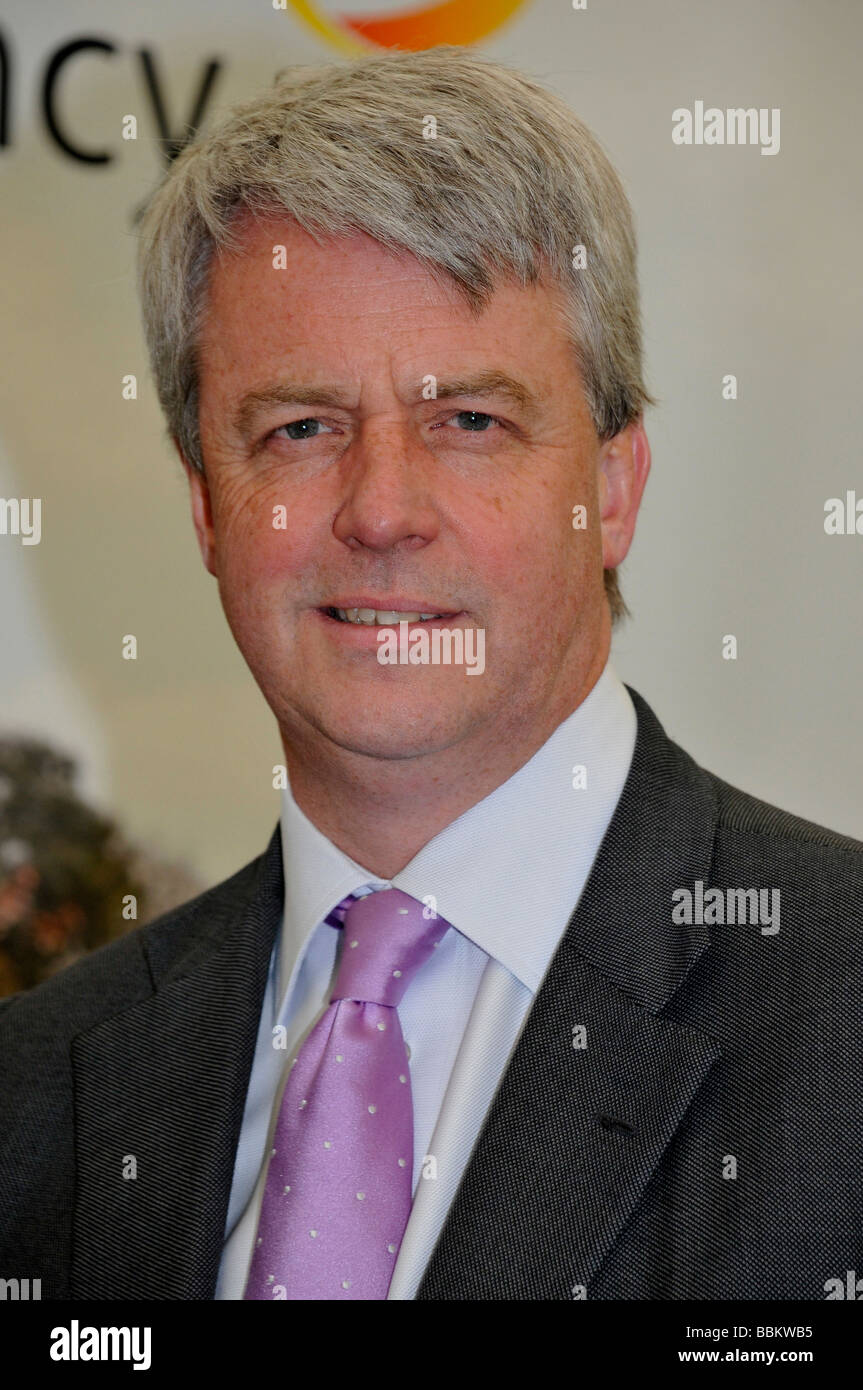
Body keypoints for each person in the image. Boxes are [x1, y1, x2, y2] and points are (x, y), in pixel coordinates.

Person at [1, 45, 861, 1302]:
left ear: (613, 490)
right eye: (299, 428)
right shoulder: (40, 1091)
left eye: (468, 420)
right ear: (205, 506)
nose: (382, 510)